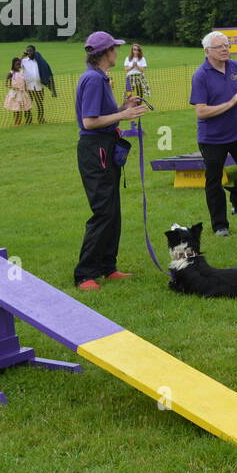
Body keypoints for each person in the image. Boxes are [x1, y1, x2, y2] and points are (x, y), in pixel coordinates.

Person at [73, 31, 148, 291]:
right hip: (96, 151)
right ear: (105, 53)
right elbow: (89, 121)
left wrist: (121, 108)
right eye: (114, 49)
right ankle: (84, 274)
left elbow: (101, 115)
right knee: (103, 211)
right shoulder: (93, 80)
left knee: (112, 211)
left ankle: (107, 267)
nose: (118, 52)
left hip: (105, 147)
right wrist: (124, 115)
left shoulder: (100, 78)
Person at [190, 30, 237, 237]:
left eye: (227, 45)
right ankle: (220, 225)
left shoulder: (236, 67)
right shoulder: (200, 75)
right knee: (214, 182)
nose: (225, 49)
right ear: (207, 51)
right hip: (212, 139)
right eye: (219, 46)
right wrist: (231, 102)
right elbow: (201, 111)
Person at [4, 57, 33, 125]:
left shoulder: (22, 72)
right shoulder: (11, 73)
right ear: (13, 64)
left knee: (20, 109)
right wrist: (12, 87)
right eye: (17, 64)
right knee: (15, 109)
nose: (18, 66)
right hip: (14, 94)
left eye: (19, 64)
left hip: (22, 93)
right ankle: (16, 123)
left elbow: (24, 82)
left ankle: (19, 123)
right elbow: (6, 84)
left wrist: (26, 89)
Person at [21, 48, 46, 123]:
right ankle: (28, 120)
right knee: (27, 104)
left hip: (39, 85)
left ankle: (41, 119)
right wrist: (22, 56)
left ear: (34, 52)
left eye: (31, 51)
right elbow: (16, 65)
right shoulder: (24, 61)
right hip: (28, 87)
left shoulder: (39, 60)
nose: (29, 52)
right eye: (28, 51)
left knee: (40, 103)